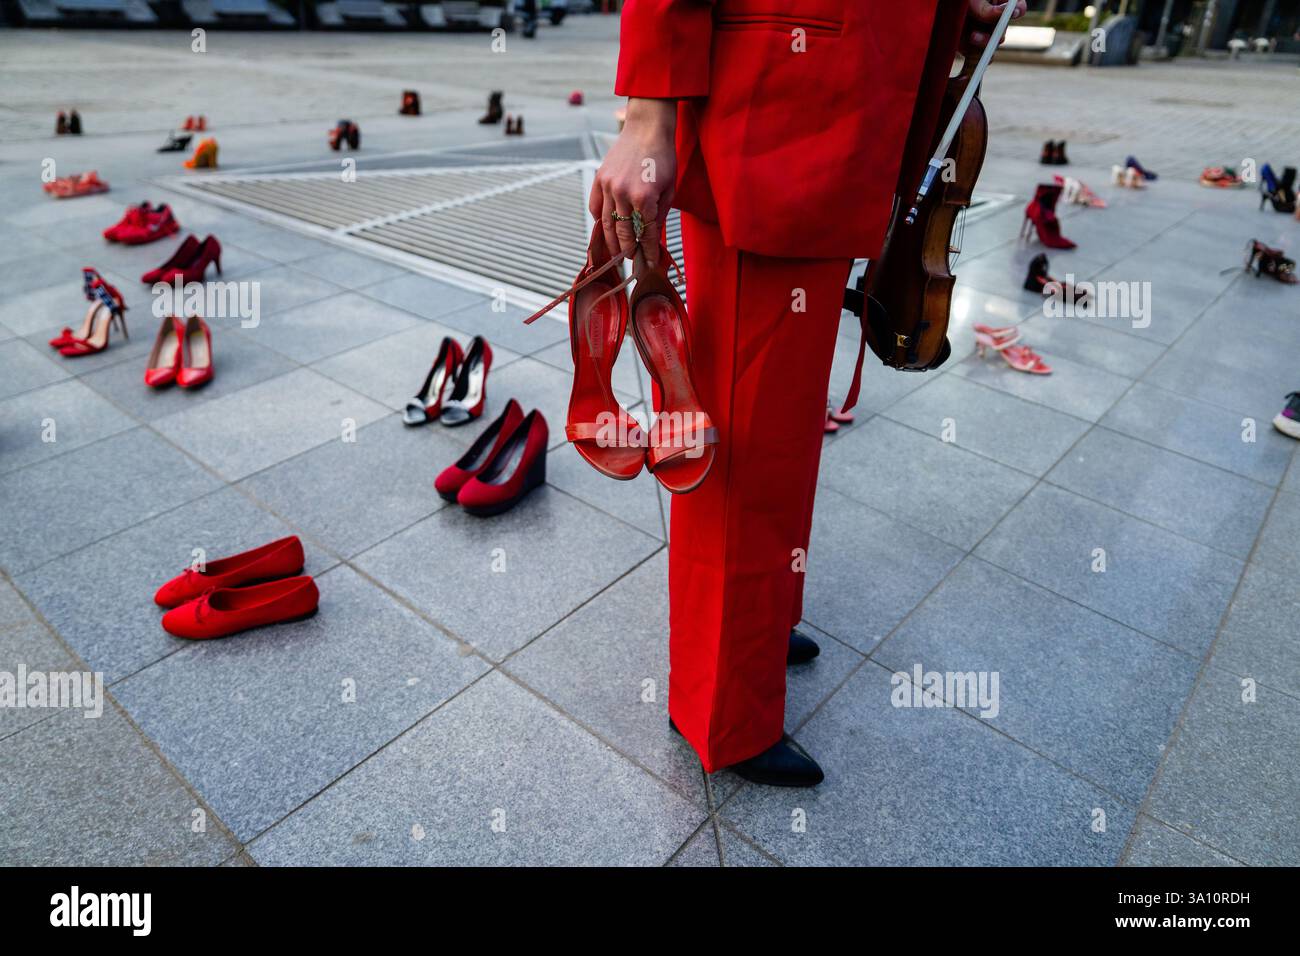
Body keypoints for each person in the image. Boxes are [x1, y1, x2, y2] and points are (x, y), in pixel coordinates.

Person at [589, 0, 1026, 786]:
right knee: (743, 426)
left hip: (843, 99)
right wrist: (648, 112)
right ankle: (721, 705)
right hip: (775, 113)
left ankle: (759, 622)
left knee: (785, 416)